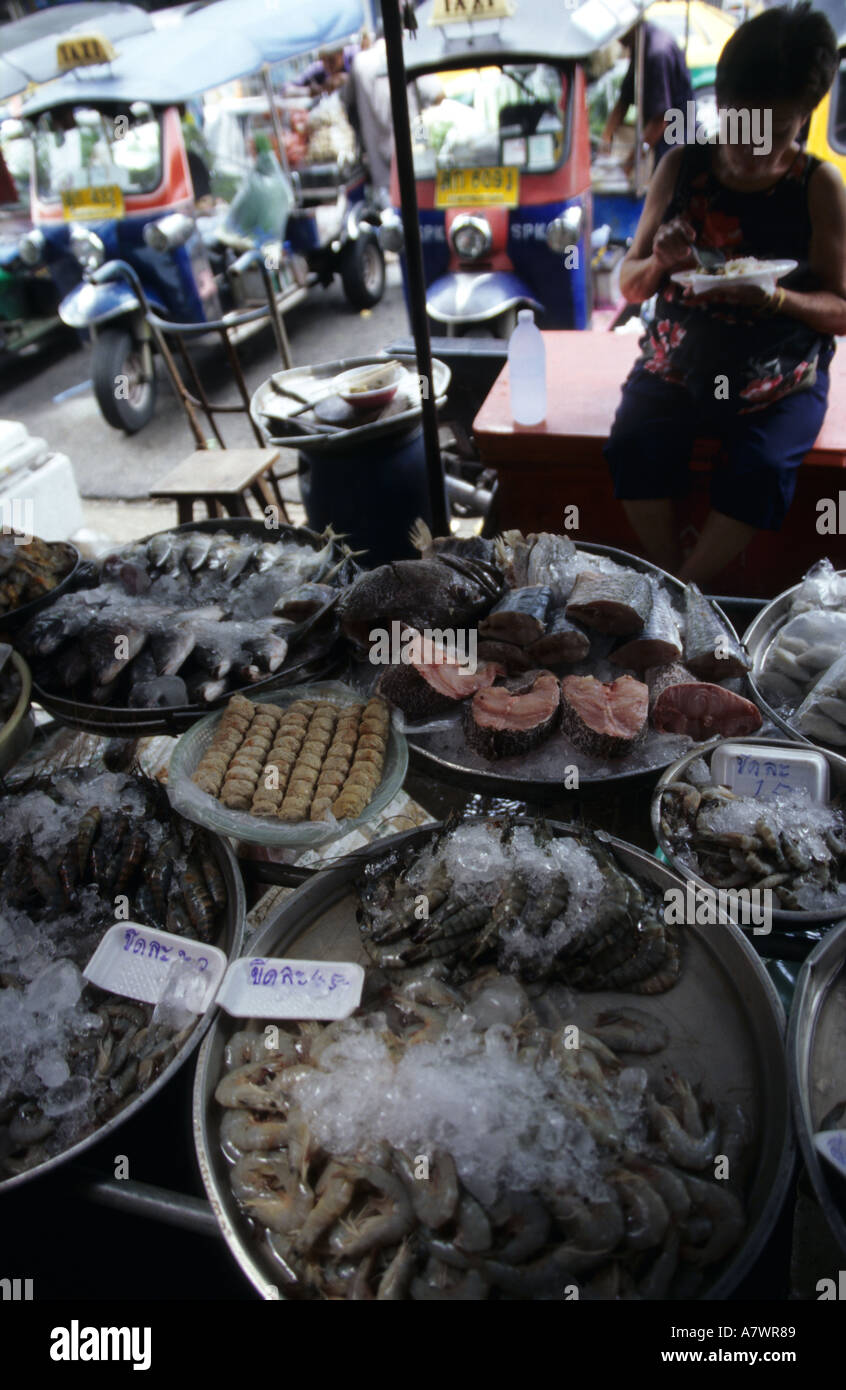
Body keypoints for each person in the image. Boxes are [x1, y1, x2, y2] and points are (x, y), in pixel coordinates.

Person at [603, 3, 846, 586]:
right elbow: (629, 284)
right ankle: (669, 579)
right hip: (677, 363)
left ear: (806, 116)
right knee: (632, 443)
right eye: (739, 125)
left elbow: (840, 310)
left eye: (775, 129)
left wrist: (775, 300)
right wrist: (660, 258)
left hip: (779, 373)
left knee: (759, 467)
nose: (748, 149)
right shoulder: (682, 166)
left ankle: (688, 590)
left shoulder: (818, 186)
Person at [601, 19, 694, 169]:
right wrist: (606, 138)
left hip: (675, 135)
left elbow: (660, 120)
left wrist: (628, 165)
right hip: (661, 132)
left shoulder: (657, 53)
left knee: (664, 179)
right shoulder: (639, 44)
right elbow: (625, 99)